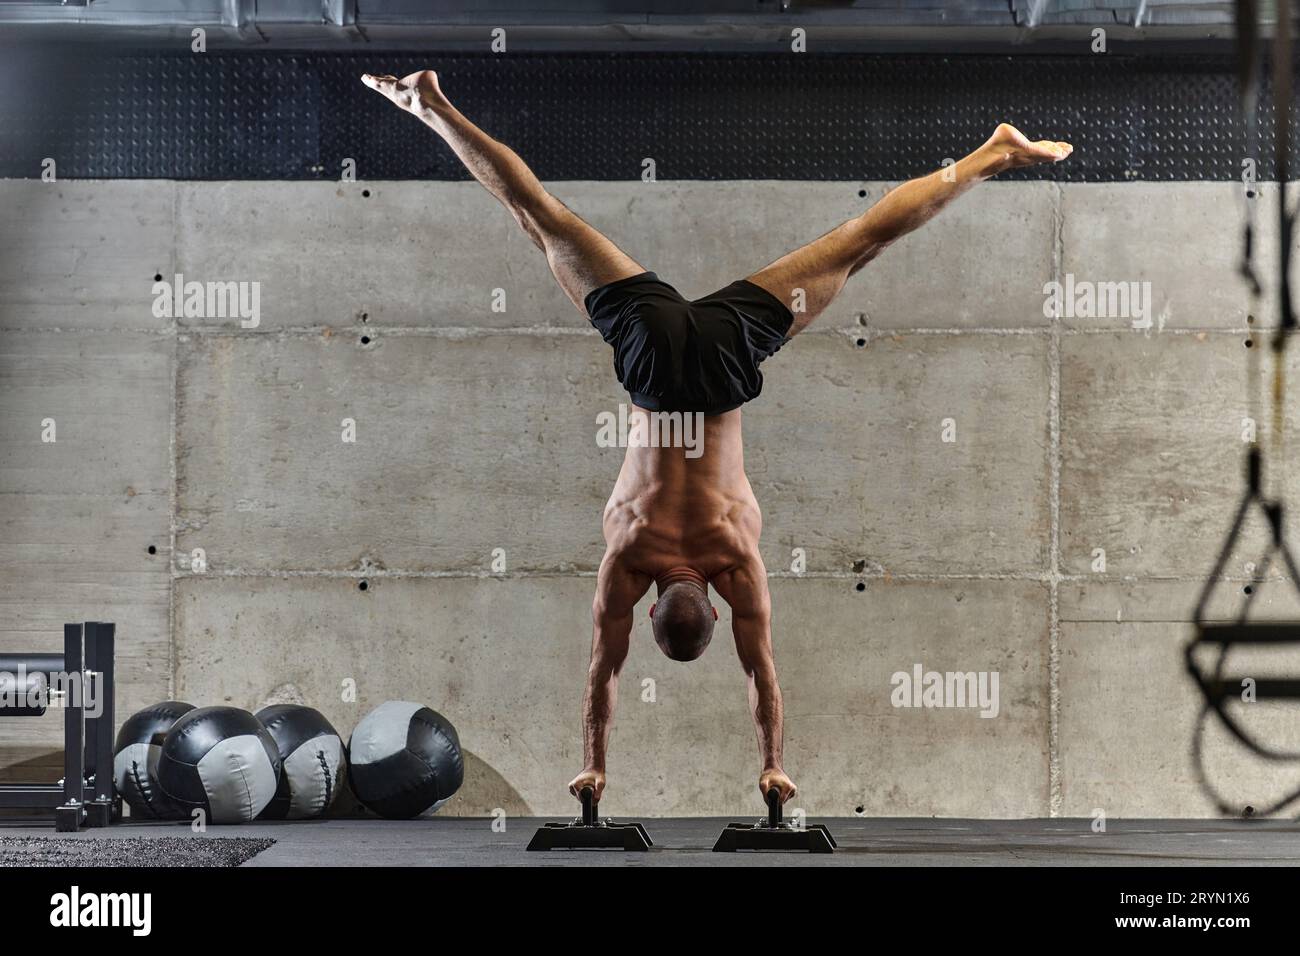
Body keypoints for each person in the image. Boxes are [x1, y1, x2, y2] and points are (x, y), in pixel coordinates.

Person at [363, 69, 1072, 806]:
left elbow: (760, 675)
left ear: (715, 606)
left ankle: (992, 153)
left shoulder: (736, 561)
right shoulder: (629, 554)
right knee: (537, 216)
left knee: (862, 244)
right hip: (655, 356)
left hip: (725, 360)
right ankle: (432, 105)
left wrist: (774, 763)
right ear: (648, 607)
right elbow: (601, 676)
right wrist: (592, 766)